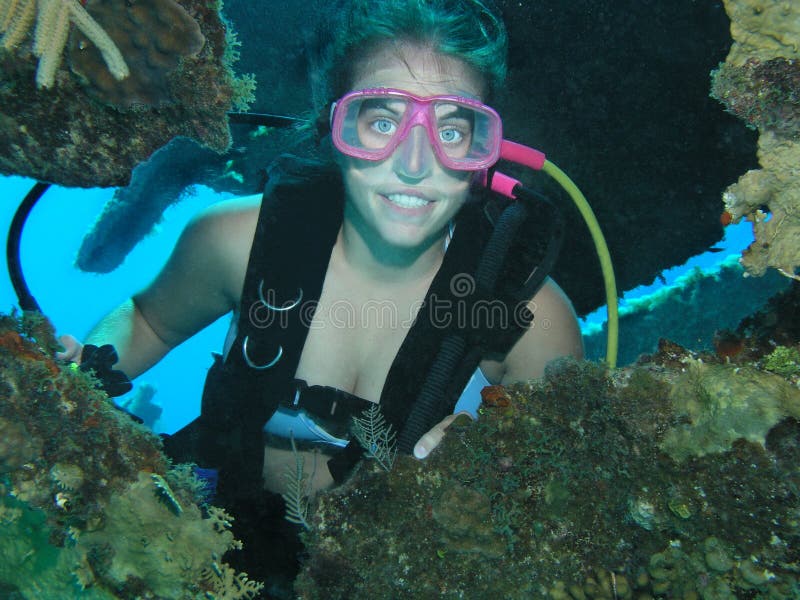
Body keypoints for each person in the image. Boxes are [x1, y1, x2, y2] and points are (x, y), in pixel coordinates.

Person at [58, 0, 583, 590]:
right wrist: (88, 372)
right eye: (381, 121)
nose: (415, 164)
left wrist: (497, 460)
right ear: (334, 128)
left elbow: (563, 494)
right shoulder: (236, 240)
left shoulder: (530, 317)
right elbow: (148, 320)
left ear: (487, 150)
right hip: (207, 534)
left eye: (453, 129)